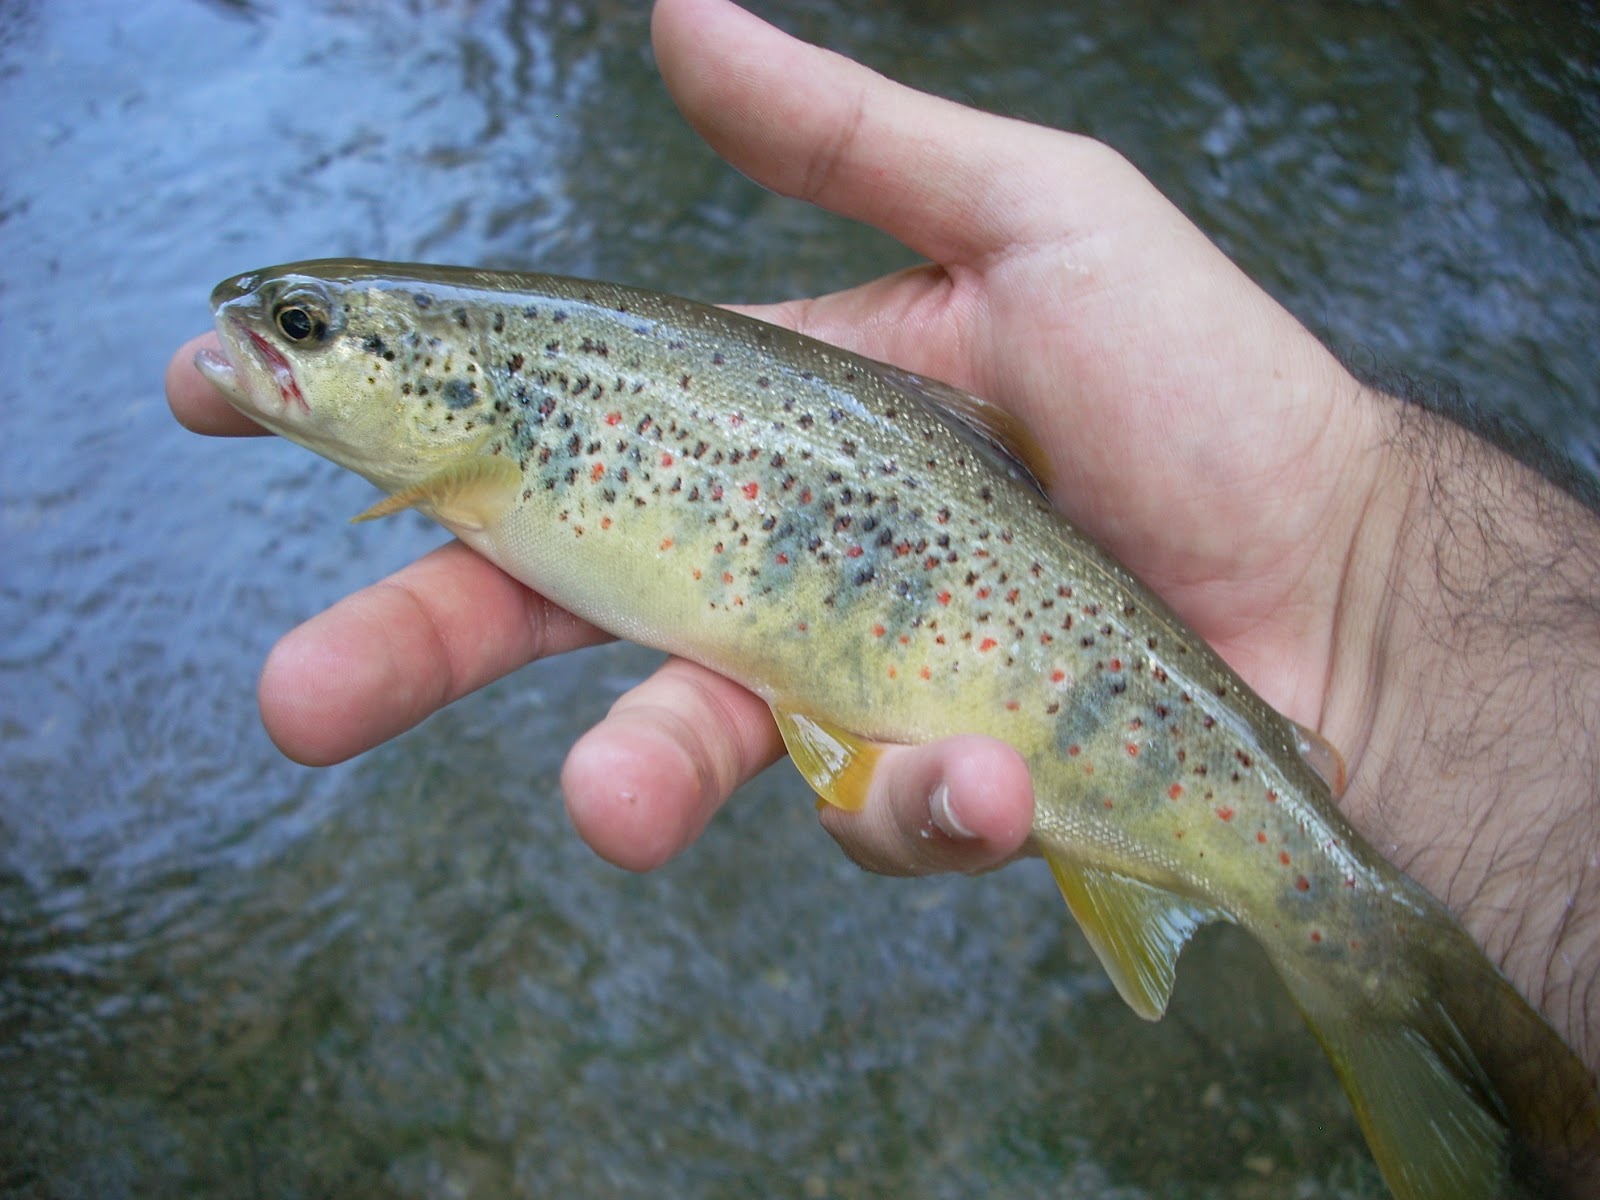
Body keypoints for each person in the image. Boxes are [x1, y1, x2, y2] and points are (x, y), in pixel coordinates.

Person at [166, 0, 1600, 1078]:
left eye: (305, 330)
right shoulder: (490, 438)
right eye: (304, 324)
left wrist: (1364, 561)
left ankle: (1362, 952)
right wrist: (1375, 580)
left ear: (455, 375)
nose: (266, 340)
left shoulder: (503, 418)